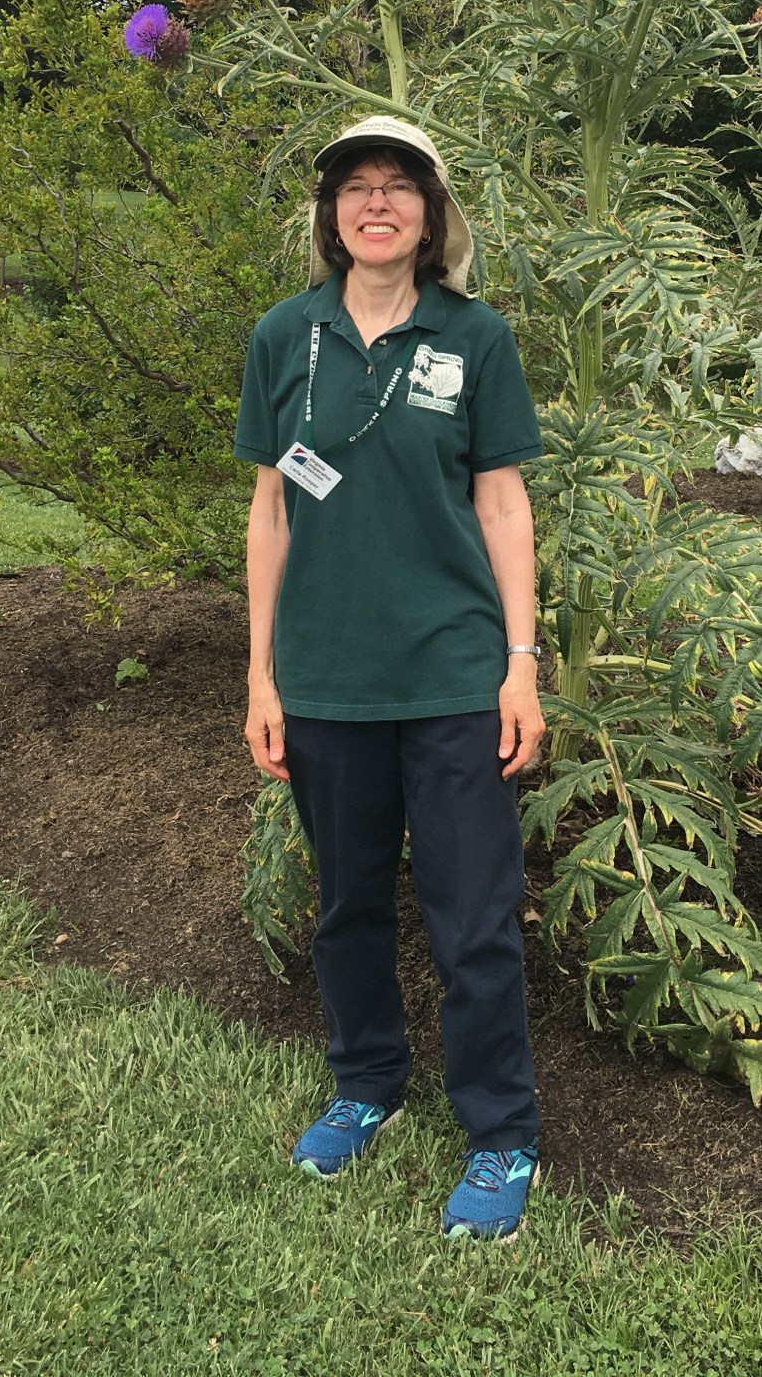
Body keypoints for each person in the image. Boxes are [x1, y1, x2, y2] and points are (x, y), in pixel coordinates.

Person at [234, 115, 545, 1242]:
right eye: (355, 188)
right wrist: (263, 674)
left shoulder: (477, 337)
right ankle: (365, 1081)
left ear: (431, 213)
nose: (376, 203)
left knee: (473, 918)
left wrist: (521, 663)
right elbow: (270, 512)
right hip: (324, 680)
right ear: (329, 216)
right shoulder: (285, 335)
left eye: (398, 187)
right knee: (349, 906)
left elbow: (503, 503)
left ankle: (501, 1130)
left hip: (458, 673)